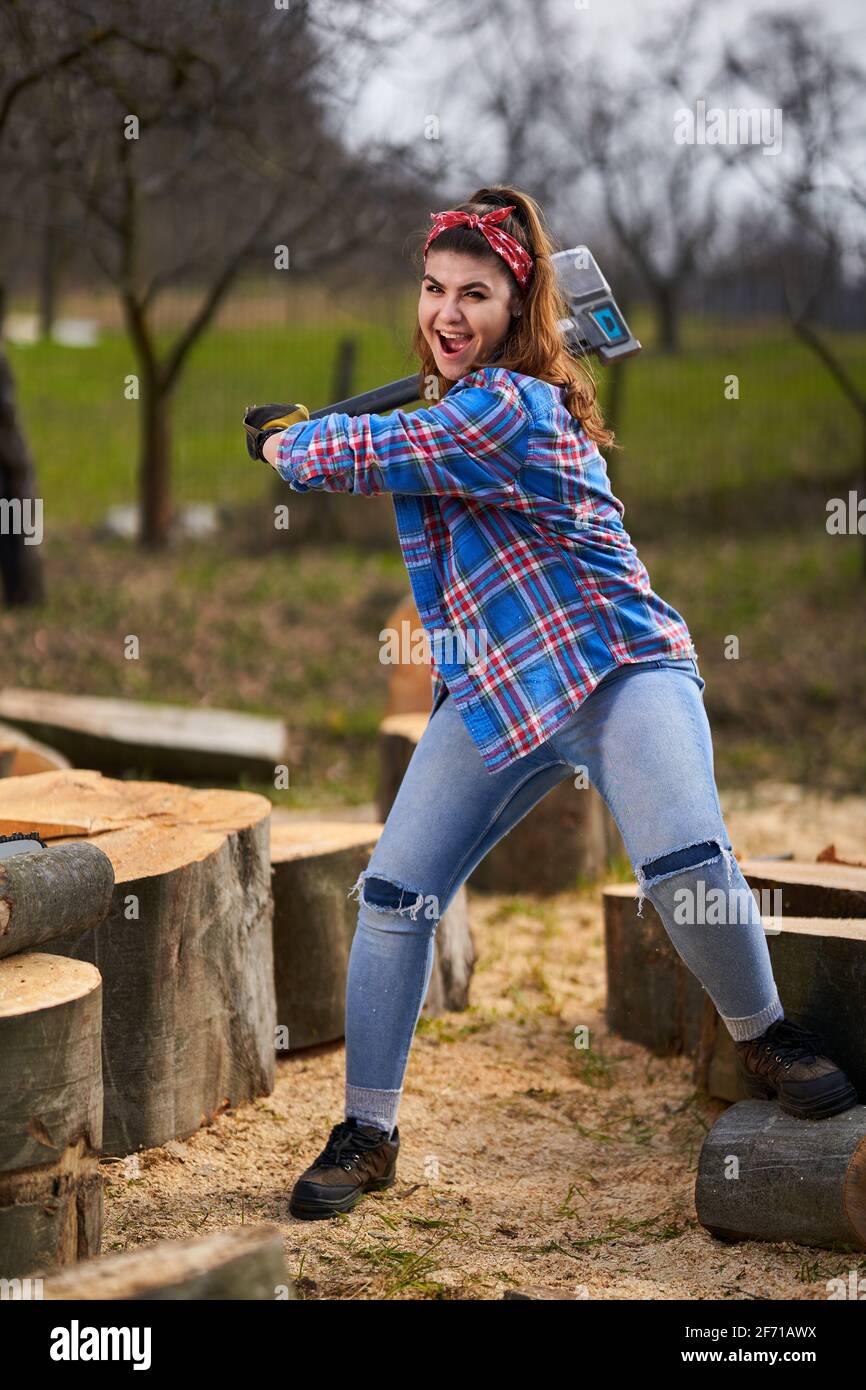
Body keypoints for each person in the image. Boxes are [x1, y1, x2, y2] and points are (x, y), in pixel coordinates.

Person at [254, 185, 859, 1221]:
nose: (446, 313)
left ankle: (760, 1034)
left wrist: (283, 445)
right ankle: (367, 1132)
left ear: (518, 310)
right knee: (393, 895)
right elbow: (408, 444)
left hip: (617, 664)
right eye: (434, 289)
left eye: (475, 294)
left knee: (681, 856)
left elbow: (360, 455)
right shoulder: (459, 402)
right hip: (498, 685)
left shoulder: (509, 407)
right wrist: (344, 431)